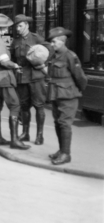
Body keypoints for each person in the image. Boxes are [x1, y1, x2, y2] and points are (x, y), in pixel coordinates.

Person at [43, 27, 88, 166]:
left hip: (68, 96)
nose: (52, 44)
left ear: (62, 41)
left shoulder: (70, 56)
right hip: (56, 94)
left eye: (54, 41)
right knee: (58, 123)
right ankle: (61, 150)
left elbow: (80, 77)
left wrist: (76, 90)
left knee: (65, 124)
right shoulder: (53, 55)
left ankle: (66, 154)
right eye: (51, 42)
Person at [0, 14, 28, 150]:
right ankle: (14, 140)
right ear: (1, 28)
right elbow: (4, 61)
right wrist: (15, 65)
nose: (6, 30)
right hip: (4, 78)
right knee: (15, 106)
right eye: (5, 27)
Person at [10, 14, 50, 145]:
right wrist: (15, 68)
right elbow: (12, 59)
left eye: (20, 26)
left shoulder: (36, 38)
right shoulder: (15, 41)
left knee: (39, 106)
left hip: (36, 77)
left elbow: (50, 50)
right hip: (22, 78)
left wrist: (42, 63)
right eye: (16, 27)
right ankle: (25, 133)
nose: (18, 29)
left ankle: (40, 135)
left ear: (26, 25)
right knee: (24, 107)